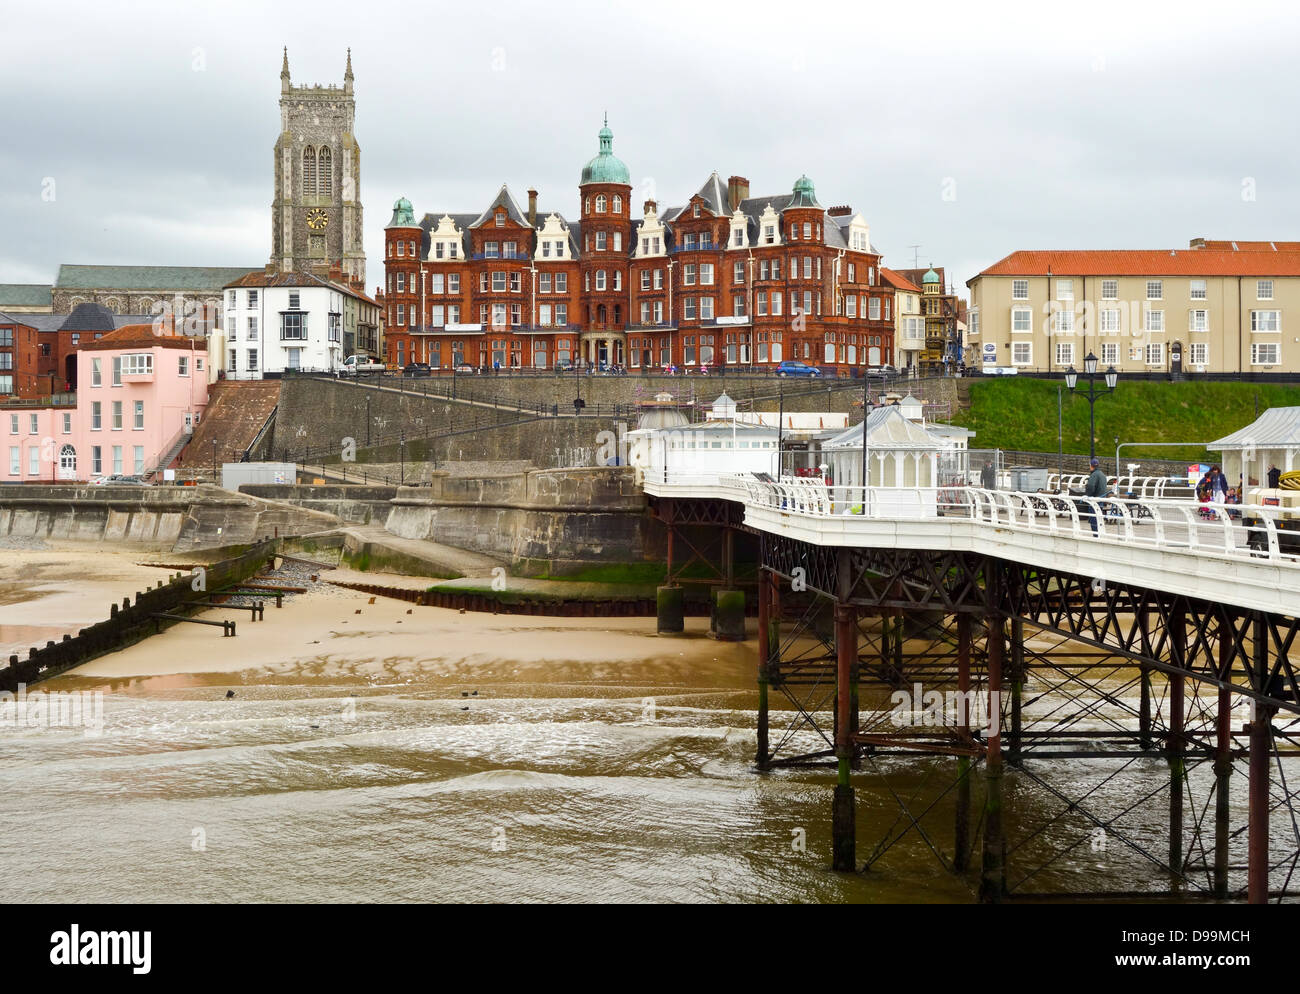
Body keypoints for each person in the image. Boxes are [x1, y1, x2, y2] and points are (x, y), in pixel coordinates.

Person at [1084, 456, 1109, 535]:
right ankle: (1099, 534)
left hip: (1094, 500)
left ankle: (1096, 535)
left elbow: (1091, 487)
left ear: (1091, 466)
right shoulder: (1102, 474)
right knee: (1099, 518)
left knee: (1093, 518)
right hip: (1101, 499)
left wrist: (1087, 495)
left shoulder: (1094, 474)